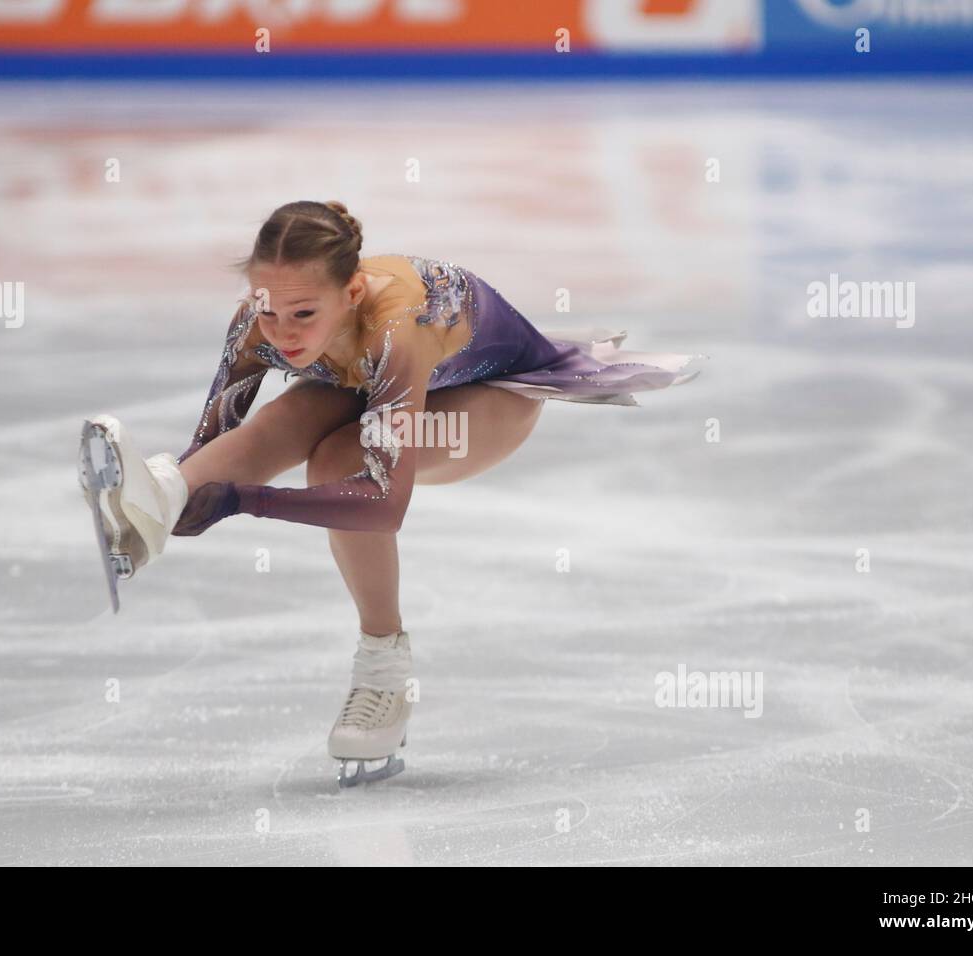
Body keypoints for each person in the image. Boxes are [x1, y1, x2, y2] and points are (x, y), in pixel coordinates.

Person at [80, 199, 706, 786]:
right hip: (376, 381)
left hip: (489, 401)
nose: (282, 331)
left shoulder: (395, 329)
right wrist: (184, 496)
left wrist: (244, 501)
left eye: (303, 314)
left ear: (350, 292)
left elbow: (384, 502)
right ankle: (152, 502)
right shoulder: (256, 323)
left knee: (336, 462)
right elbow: (218, 441)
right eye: (269, 309)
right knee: (285, 420)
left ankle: (383, 666)